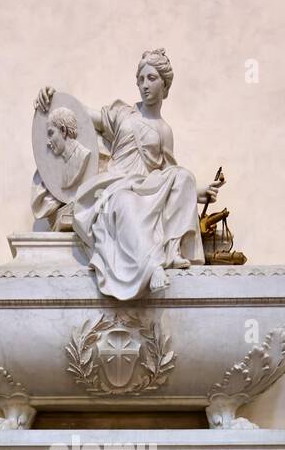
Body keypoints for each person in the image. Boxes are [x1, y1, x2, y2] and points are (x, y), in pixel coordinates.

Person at [35, 48, 223, 300]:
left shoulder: (164, 131)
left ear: (164, 84)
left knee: (184, 176)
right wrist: (54, 98)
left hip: (146, 185)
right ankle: (153, 264)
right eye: (141, 79)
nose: (144, 85)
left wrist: (196, 191)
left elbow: (167, 170)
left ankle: (172, 250)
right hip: (115, 184)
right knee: (124, 201)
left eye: (151, 79)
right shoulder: (122, 112)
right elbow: (84, 116)